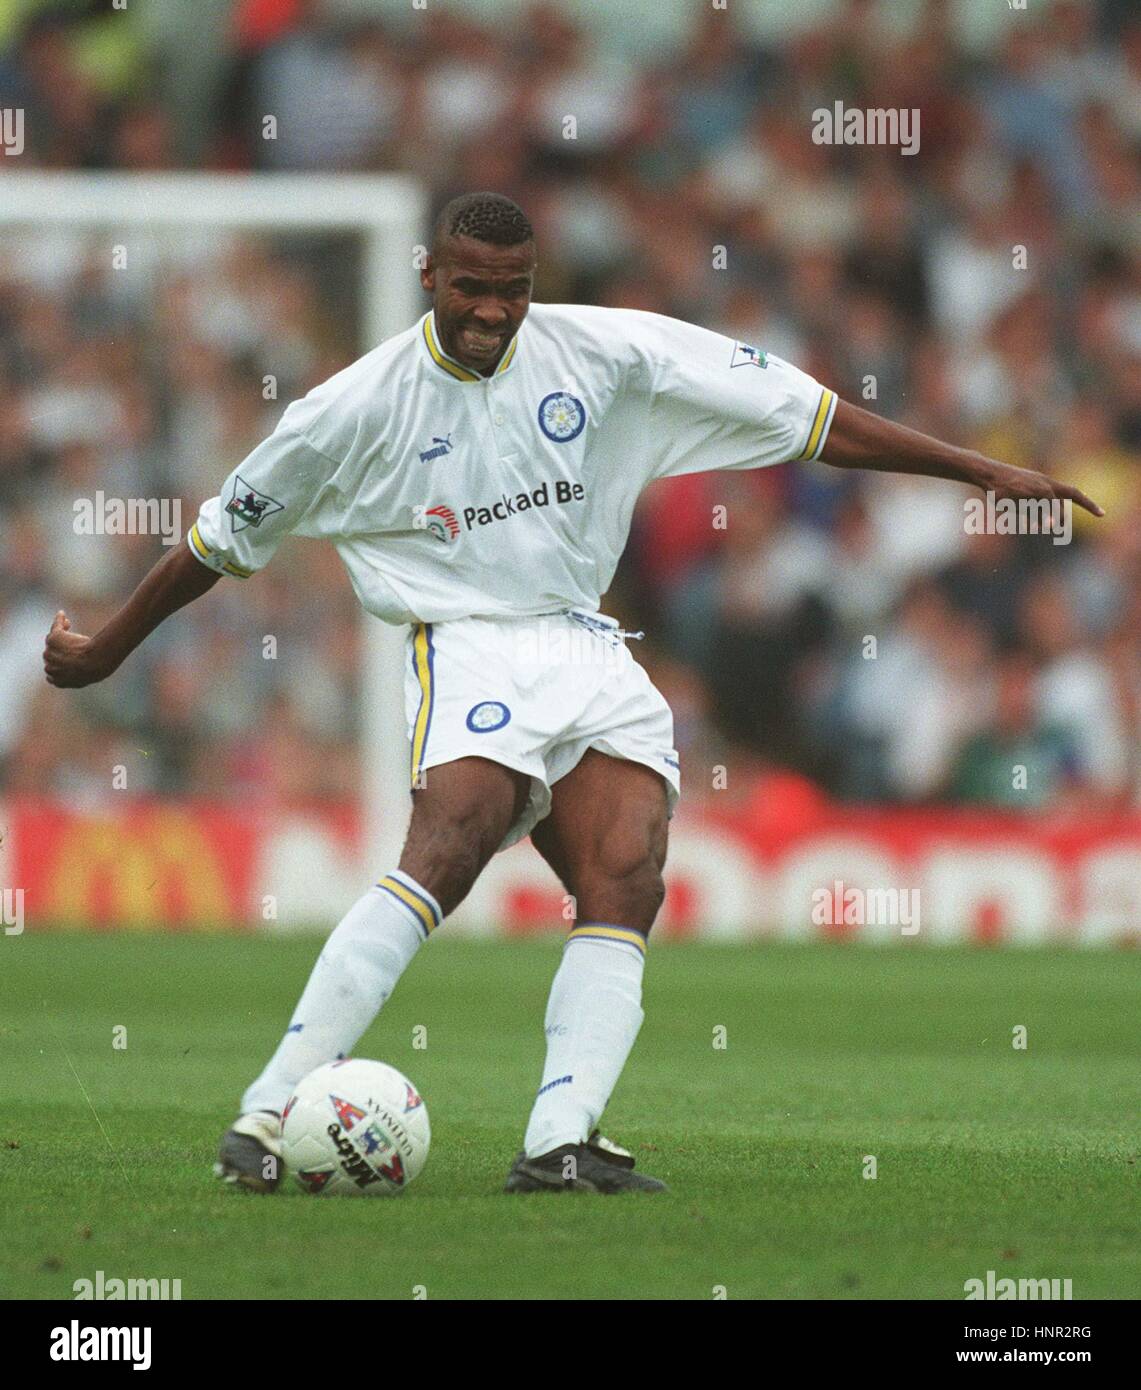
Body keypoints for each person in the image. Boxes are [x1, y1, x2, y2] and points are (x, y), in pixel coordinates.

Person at [42, 192, 1103, 1194]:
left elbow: (807, 414)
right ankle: (267, 1113)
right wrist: (109, 650)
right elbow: (214, 543)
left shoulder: (608, 350)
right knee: (453, 839)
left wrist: (977, 470)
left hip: (583, 642)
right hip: (465, 638)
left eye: (512, 289)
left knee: (628, 870)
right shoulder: (346, 410)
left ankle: (559, 1139)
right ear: (429, 275)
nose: (491, 310)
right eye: (471, 286)